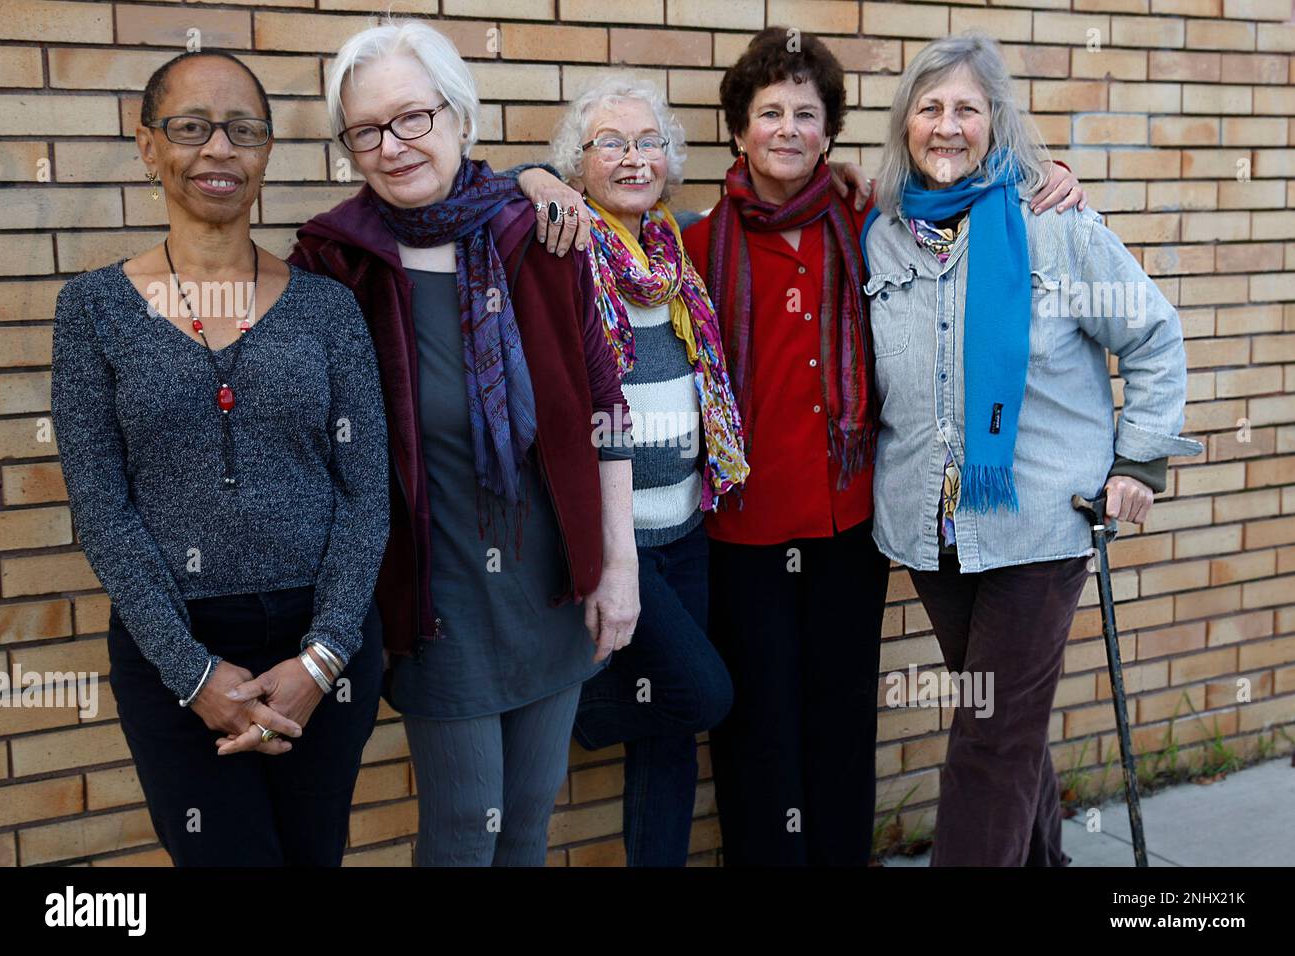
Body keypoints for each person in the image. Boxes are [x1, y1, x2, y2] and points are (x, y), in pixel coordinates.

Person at [681, 26, 1087, 866]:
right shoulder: (692, 248)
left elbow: (983, 199)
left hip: (847, 528)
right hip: (743, 530)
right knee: (756, 726)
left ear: (830, 133)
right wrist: (545, 180)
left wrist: (1051, 178)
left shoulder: (870, 224)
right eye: (768, 113)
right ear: (738, 130)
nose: (787, 128)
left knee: (841, 724)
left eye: (806, 112)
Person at [287, 18, 639, 867]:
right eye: (367, 130)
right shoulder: (337, 262)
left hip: (551, 590)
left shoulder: (539, 232)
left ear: (458, 113)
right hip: (433, 598)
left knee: (524, 829)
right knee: (459, 835)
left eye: (414, 117)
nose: (395, 145)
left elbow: (605, 403)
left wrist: (617, 566)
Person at [861, 31, 1202, 866]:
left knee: (987, 735)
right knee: (1007, 729)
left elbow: (1154, 335)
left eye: (967, 109)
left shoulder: (1056, 226)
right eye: (930, 108)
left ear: (996, 122)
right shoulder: (878, 232)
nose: (947, 126)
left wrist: (1139, 462)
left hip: (1041, 523)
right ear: (906, 123)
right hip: (929, 527)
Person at [51, 50, 389, 866]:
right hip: (175, 648)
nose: (219, 151)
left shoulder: (327, 307)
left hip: (322, 646)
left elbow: (367, 491)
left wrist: (322, 656)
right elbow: (100, 507)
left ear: (267, 150)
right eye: (192, 128)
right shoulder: (93, 309)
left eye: (243, 130)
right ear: (148, 146)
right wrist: (194, 674)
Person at [532, 75, 744, 866]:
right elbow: (488, 186)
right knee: (705, 693)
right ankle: (573, 706)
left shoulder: (678, 247)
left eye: (648, 141)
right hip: (615, 540)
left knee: (670, 739)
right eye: (610, 143)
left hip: (685, 528)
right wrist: (535, 179)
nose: (633, 158)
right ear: (575, 165)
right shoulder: (555, 244)